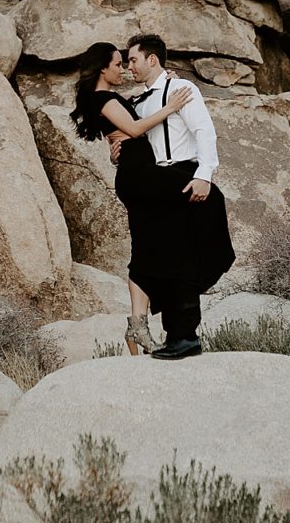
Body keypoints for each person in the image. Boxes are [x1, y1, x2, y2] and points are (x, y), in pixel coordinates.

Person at [69, 41, 193, 355]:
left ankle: (137, 327)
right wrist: (171, 107)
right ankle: (140, 325)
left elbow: (128, 128)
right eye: (118, 64)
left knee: (148, 247)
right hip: (139, 178)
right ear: (103, 68)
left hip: (137, 174)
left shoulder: (108, 99)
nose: (123, 69)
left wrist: (164, 81)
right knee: (153, 246)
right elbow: (136, 129)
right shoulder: (102, 97)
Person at [120, 32, 234, 359]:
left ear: (151, 59)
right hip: (156, 184)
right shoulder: (138, 102)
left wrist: (203, 175)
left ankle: (185, 337)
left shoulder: (181, 89)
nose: (130, 67)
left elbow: (203, 131)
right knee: (164, 261)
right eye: (126, 62)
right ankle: (176, 337)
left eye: (133, 60)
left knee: (182, 260)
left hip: (183, 177)